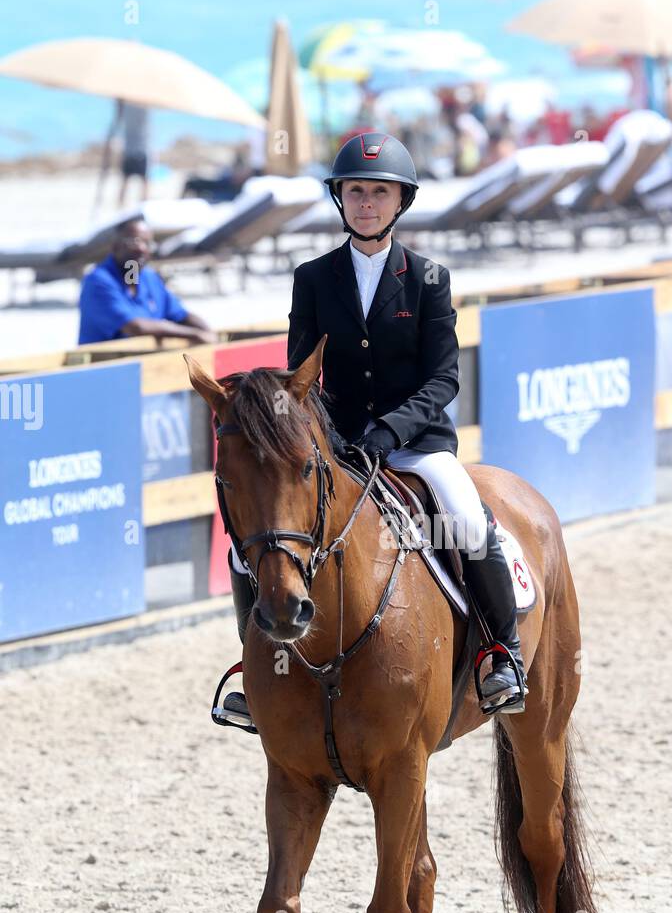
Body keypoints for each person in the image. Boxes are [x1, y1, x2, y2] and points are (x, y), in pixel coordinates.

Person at [222, 130, 528, 727]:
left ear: (399, 202)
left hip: (415, 448)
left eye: (379, 193)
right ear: (341, 199)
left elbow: (443, 379)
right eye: (356, 191)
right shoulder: (313, 278)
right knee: (248, 551)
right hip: (336, 449)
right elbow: (300, 376)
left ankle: (502, 654)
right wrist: (328, 438)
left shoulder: (429, 279)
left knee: (464, 517)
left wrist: (389, 431)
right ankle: (253, 670)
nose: (367, 203)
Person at [78, 218, 216, 346]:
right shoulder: (98, 281)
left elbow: (181, 315)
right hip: (103, 366)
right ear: (115, 247)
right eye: (133, 242)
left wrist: (207, 331)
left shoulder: (147, 277)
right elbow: (135, 327)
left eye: (147, 243)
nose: (141, 248)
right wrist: (194, 334)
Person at [116, 100, 151, 206]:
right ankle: (143, 206)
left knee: (126, 181)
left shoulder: (125, 103)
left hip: (130, 148)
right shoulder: (144, 102)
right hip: (140, 148)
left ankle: (121, 206)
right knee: (144, 181)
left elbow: (119, 117)